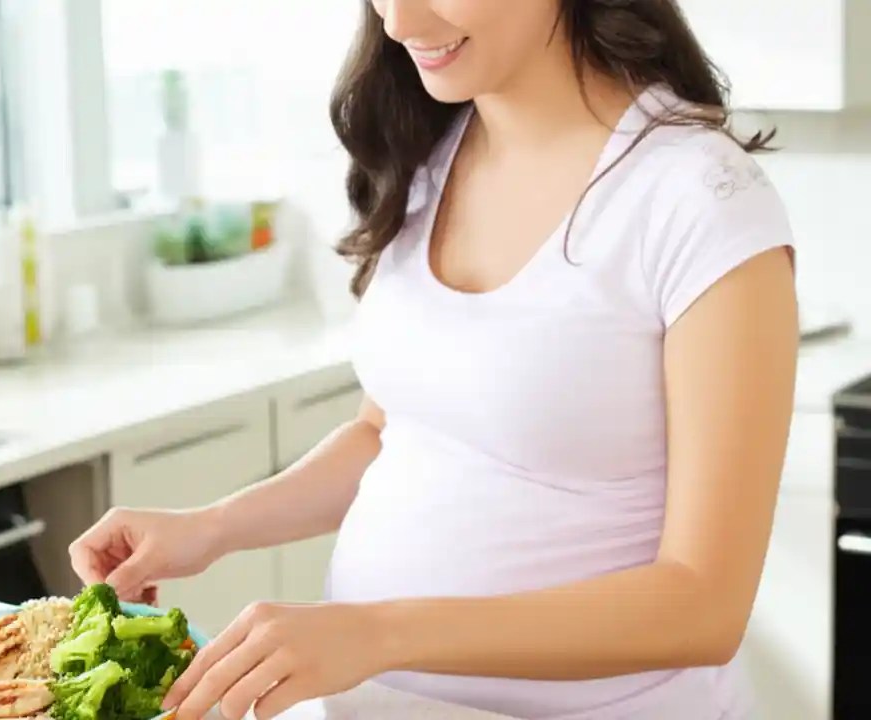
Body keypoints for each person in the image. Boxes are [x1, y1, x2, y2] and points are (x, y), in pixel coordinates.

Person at [69, 1, 798, 718]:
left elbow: (703, 605)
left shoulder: (698, 199)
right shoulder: (429, 156)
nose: (399, 23)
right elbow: (390, 436)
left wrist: (381, 632)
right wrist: (213, 527)